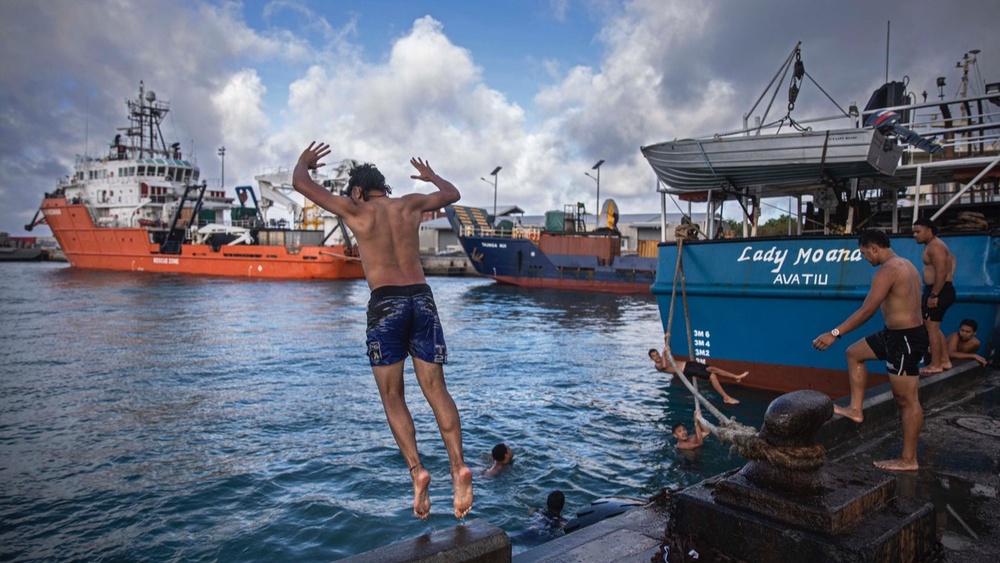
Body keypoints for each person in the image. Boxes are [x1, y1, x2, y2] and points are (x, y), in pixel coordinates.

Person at [292, 142, 472, 520]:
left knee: (393, 396)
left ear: (357, 191)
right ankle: (459, 468)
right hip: (422, 298)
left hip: (386, 303)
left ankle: (418, 471)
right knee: (437, 389)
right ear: (382, 187)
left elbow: (301, 184)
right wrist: (430, 177)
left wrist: (304, 163)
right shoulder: (408, 204)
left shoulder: (355, 209)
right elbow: (453, 194)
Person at [812, 229, 929, 471]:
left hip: (904, 339)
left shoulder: (888, 270)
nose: (865, 258)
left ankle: (909, 460)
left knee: (906, 400)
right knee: (854, 353)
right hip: (893, 334)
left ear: (874, 247)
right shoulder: (906, 264)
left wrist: (834, 334)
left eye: (865, 253)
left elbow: (867, 310)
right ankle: (855, 409)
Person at [649, 332, 747, 404]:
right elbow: (664, 366)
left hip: (689, 364)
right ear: (651, 358)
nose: (657, 356)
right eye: (654, 356)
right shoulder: (658, 366)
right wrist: (663, 353)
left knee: (712, 369)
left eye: (657, 354)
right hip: (687, 370)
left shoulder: (664, 357)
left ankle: (736, 377)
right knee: (712, 376)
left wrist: (666, 338)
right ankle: (726, 397)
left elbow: (667, 348)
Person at [912, 218, 956, 375]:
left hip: (938, 290)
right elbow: (952, 261)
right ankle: (944, 361)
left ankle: (935, 364)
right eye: (913, 232)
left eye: (918, 231)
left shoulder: (935, 246)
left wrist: (934, 294)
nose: (914, 235)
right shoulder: (935, 245)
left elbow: (942, 272)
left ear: (929, 231)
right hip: (940, 289)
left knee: (931, 329)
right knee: (934, 328)